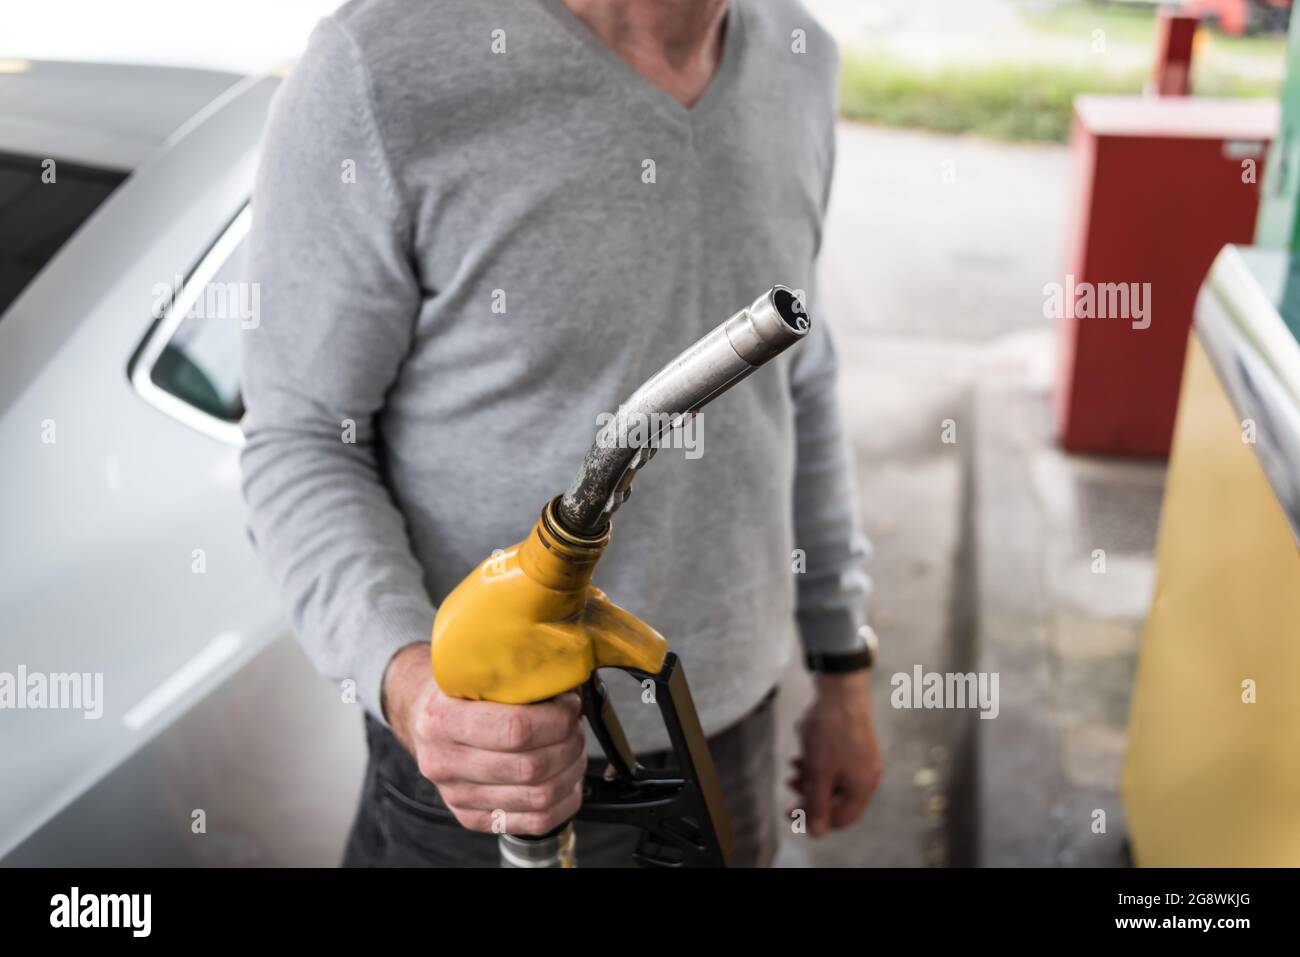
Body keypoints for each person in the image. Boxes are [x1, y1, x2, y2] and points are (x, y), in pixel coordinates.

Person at [241, 0, 883, 867]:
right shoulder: (380, 69)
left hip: (728, 736)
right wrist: (418, 692)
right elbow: (303, 437)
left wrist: (841, 666)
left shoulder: (801, 58)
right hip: (481, 777)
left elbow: (800, 384)